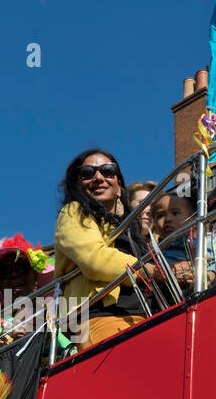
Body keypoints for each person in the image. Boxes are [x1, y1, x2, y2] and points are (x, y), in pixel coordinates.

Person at [53, 149, 167, 348]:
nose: (98, 177)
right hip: (101, 315)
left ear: (119, 186)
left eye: (107, 171)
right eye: (87, 173)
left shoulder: (132, 226)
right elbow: (95, 259)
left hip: (150, 314)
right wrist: (149, 271)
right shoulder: (72, 212)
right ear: (78, 184)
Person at [0, 234, 71, 366]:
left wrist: (45, 340)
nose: (13, 275)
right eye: (5, 272)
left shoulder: (56, 323)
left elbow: (75, 357)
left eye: (20, 269)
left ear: (35, 277)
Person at [153, 192, 216, 292]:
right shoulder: (153, 253)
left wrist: (209, 275)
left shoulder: (198, 244)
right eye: (160, 215)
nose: (167, 219)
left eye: (175, 213)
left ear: (192, 219)